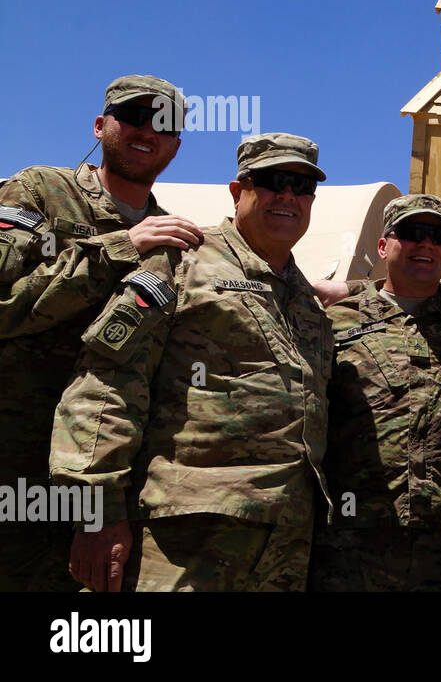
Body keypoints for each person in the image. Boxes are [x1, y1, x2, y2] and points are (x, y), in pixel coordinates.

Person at [49, 132, 333, 592]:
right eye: (272, 181)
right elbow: (105, 384)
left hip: (286, 541)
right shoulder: (180, 262)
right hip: (181, 537)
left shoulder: (307, 302)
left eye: (301, 187)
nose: (287, 195)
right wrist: (98, 515)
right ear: (239, 191)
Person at [0, 74, 203, 591]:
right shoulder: (42, 192)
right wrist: (119, 247)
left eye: (163, 123)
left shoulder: (174, 239)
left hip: (104, 482)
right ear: (100, 124)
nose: (146, 131)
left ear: (176, 145)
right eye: (132, 116)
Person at [310, 194, 441, 591]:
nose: (426, 245)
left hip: (440, 540)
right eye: (412, 233)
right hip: (348, 538)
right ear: (382, 245)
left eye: (439, 237)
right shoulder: (336, 320)